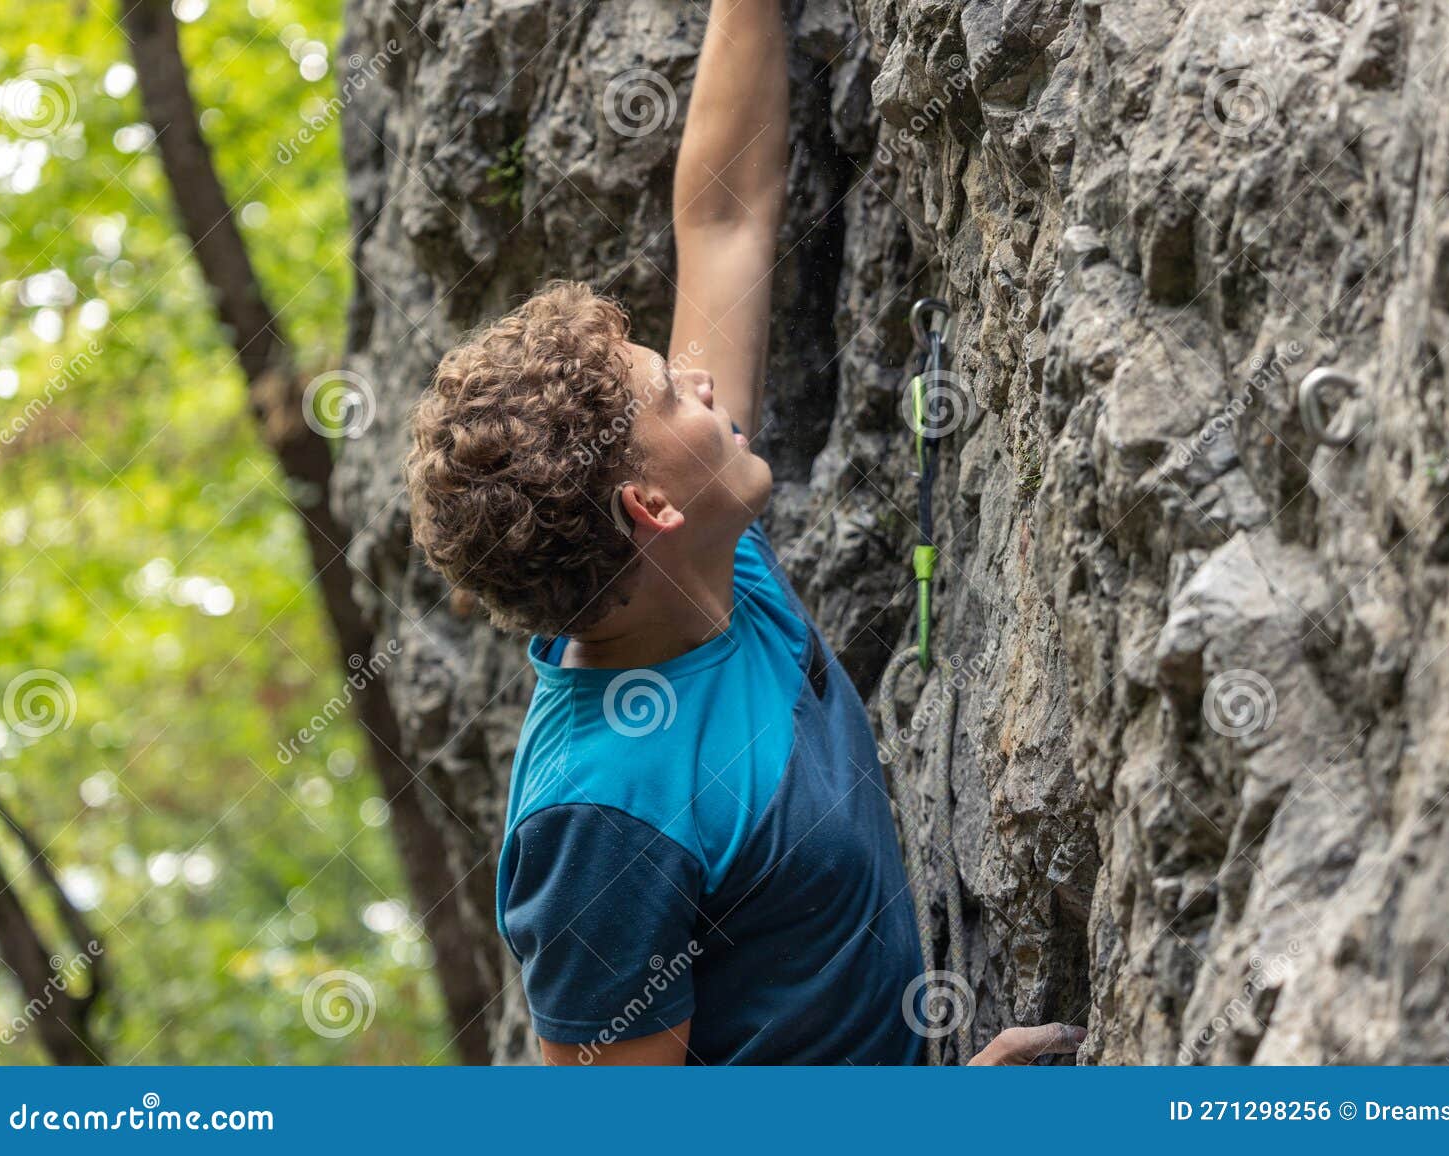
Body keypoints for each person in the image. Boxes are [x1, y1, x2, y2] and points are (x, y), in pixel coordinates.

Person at [404, 0, 1084, 1065]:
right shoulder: (603, 817)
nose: (702, 377)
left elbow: (723, 223)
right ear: (649, 508)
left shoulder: (705, 570)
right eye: (673, 392)